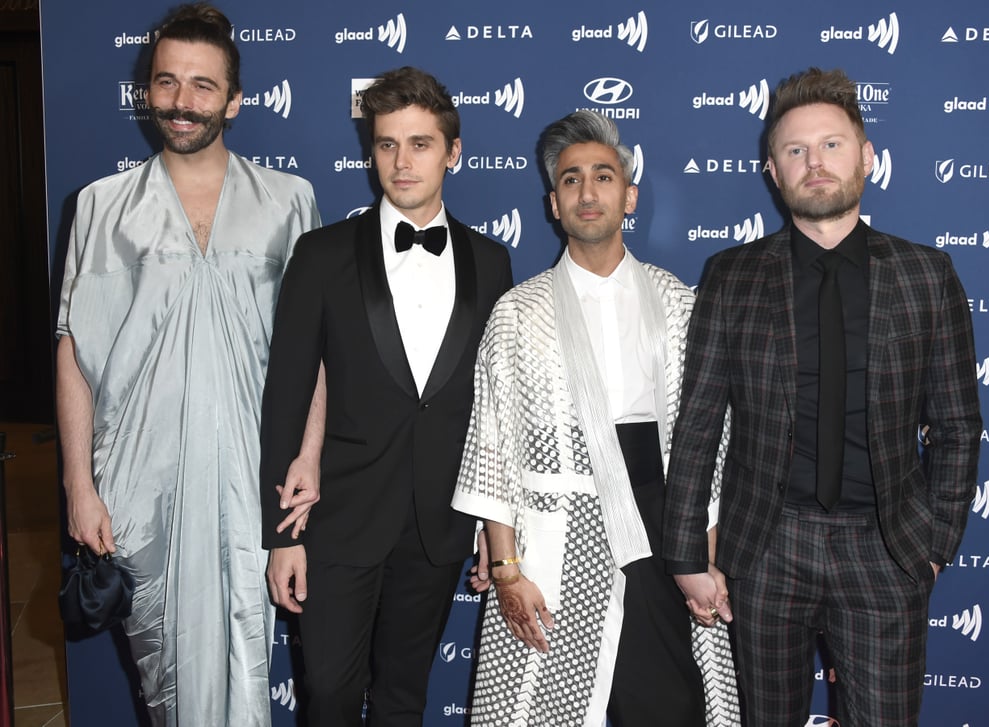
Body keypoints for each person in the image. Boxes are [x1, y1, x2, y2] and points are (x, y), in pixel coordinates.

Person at [664, 67, 982, 726]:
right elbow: (697, 423)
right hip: (767, 546)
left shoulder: (927, 274)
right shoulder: (731, 275)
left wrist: (933, 542)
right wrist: (688, 555)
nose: (816, 163)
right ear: (773, 172)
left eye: (832, 145)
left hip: (887, 547)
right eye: (795, 150)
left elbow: (956, 424)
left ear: (867, 157)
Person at [55, 4, 320, 725]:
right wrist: (79, 486)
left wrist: (308, 461)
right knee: (164, 677)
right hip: (141, 480)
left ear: (233, 100)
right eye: (167, 81)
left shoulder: (289, 203)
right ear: (148, 90)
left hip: (249, 474)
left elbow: (315, 354)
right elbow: (74, 352)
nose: (183, 101)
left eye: (204, 86)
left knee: (246, 656)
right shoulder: (100, 208)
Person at [452, 110, 739, 727]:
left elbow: (707, 444)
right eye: (571, 180)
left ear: (628, 195)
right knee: (541, 706)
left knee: (669, 703)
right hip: (556, 532)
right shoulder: (517, 312)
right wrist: (506, 568)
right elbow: (495, 444)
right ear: (553, 202)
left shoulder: (678, 301)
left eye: (603, 177)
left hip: (663, 518)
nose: (588, 192)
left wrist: (705, 553)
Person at [259, 66, 513, 726]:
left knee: (404, 697)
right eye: (386, 144)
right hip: (337, 516)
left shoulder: (492, 262)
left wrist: (493, 519)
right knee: (332, 695)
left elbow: (495, 403)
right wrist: (279, 534)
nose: (401, 162)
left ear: (453, 151)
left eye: (420, 143)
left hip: (438, 520)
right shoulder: (320, 255)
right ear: (370, 150)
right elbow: (287, 394)